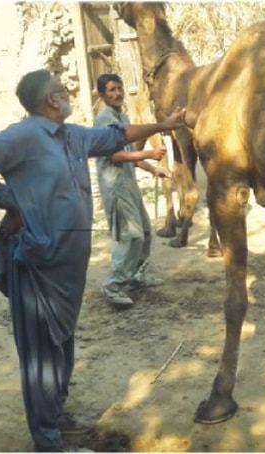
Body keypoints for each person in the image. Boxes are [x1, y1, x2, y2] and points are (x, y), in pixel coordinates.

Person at [0, 69, 186, 452]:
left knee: (61, 341)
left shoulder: (72, 134)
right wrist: (11, 203)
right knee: (41, 352)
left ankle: (56, 415)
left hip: (67, 264)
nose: (68, 93)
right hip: (37, 261)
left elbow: (116, 136)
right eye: (63, 89)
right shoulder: (24, 136)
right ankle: (47, 441)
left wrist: (163, 124)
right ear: (51, 100)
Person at [94, 73, 170, 306]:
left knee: (145, 231)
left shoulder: (122, 116)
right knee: (131, 235)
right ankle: (113, 284)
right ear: (102, 94)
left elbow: (129, 155)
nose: (117, 94)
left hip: (128, 183)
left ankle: (137, 275)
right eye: (111, 90)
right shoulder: (104, 119)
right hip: (115, 185)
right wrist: (149, 153)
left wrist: (151, 169)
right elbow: (114, 154)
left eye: (119, 88)